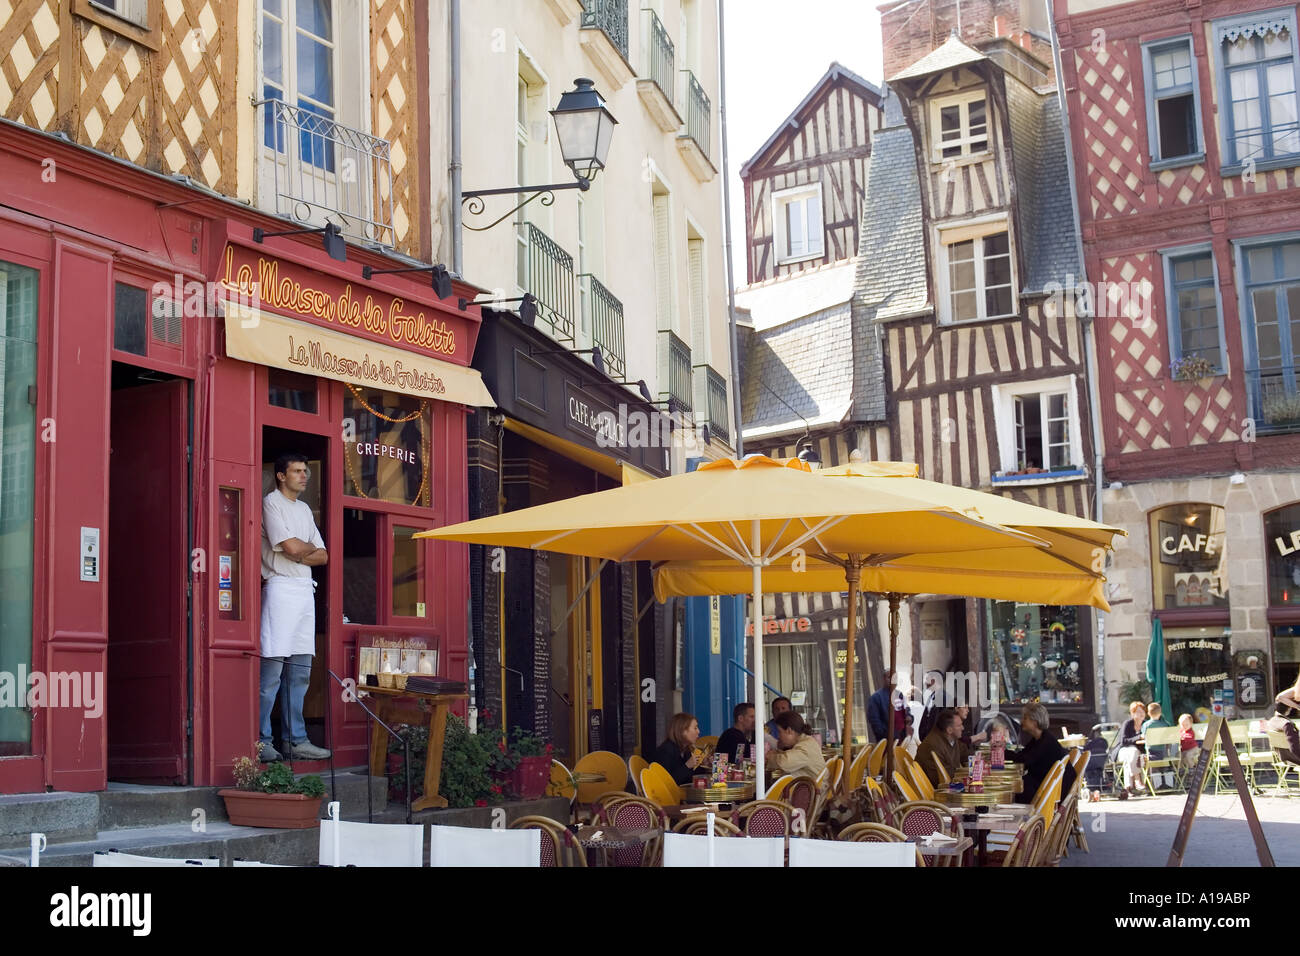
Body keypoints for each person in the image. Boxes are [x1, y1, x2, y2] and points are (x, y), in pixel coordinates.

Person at [259, 453, 331, 763]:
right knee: (271, 674)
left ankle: (296, 740)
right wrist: (304, 550)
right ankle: (262, 740)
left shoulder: (303, 509)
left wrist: (302, 551)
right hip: (279, 589)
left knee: (300, 672)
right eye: (297, 471)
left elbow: (324, 556)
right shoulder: (271, 502)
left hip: (304, 592)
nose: (304, 476)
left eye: (305, 471)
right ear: (280, 475)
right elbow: (289, 547)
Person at [1006, 702, 1075, 804]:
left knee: (1021, 785)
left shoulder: (1046, 741)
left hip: (1056, 791)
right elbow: (1022, 755)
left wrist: (1001, 752)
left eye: (1025, 718)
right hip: (1049, 785)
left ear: (1035, 722)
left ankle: (1020, 816)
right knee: (1021, 782)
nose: (1022, 721)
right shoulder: (1039, 738)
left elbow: (1024, 760)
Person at [766, 710, 828, 779]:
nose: (778, 736)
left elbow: (785, 762)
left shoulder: (805, 746)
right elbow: (791, 755)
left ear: (789, 731)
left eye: (780, 732)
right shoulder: (806, 740)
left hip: (814, 788)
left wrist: (769, 757)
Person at [655, 712, 705, 786]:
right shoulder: (666, 751)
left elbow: (690, 777)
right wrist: (687, 766)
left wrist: (704, 765)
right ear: (682, 731)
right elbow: (666, 783)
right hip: (668, 796)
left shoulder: (686, 750)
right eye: (695, 728)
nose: (698, 731)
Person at [916, 708, 964, 785]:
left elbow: (965, 755)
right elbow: (940, 779)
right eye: (959, 726)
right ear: (949, 730)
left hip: (947, 786)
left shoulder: (952, 740)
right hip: (935, 791)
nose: (963, 728)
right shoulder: (933, 746)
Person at [1115, 701, 1147, 799]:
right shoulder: (1128, 723)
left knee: (1130, 758)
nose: (1141, 713)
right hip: (1123, 750)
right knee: (1132, 752)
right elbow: (1123, 741)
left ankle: (1128, 788)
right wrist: (1138, 737)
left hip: (1136, 754)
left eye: (1143, 711)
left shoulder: (1146, 724)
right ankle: (1137, 779)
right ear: (1132, 713)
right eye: (1138, 711)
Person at [1141, 702, 1174, 787]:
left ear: (1148, 713)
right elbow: (1169, 737)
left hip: (1151, 753)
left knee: (1148, 763)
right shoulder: (1165, 724)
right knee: (1164, 764)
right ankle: (1168, 784)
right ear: (1160, 713)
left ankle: (1155, 786)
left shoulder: (1146, 725)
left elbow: (1143, 736)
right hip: (1164, 753)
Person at [868, 672, 896, 743]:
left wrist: (909, 717)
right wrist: (884, 734)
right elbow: (874, 719)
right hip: (885, 740)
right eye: (889, 677)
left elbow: (906, 711)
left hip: (899, 740)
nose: (892, 680)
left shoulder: (900, 695)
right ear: (884, 679)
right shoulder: (876, 697)